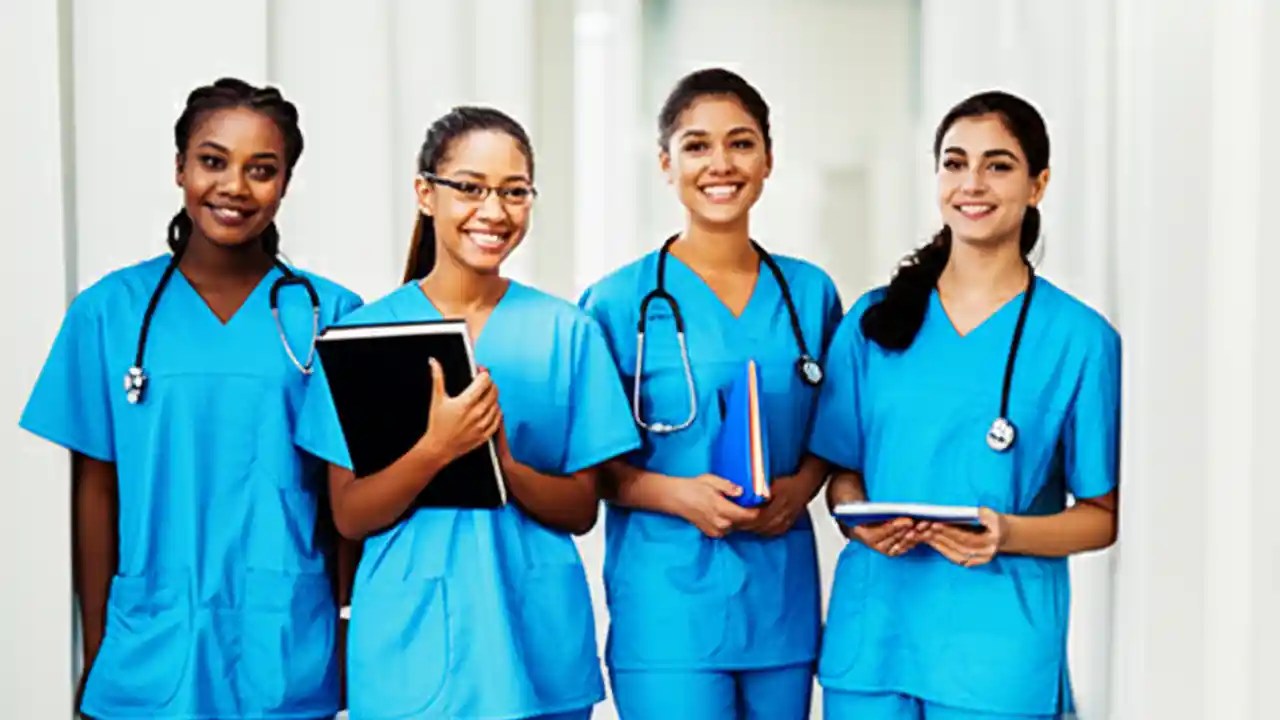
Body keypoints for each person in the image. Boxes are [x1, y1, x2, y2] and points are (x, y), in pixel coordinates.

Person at [20, 78, 362, 719]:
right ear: (179, 168)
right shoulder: (109, 312)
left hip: (283, 639)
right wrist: (97, 649)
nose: (235, 186)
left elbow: (348, 498)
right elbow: (96, 487)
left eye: (262, 170)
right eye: (213, 161)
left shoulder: (333, 315)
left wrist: (343, 630)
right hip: (149, 643)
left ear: (285, 184)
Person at [294, 105, 640, 720]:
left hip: (533, 637)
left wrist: (501, 462)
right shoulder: (364, 337)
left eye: (514, 192)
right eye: (471, 189)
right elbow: (349, 514)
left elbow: (581, 509)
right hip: (412, 643)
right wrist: (438, 448)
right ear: (426, 194)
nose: (494, 211)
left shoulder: (567, 332)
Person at [810, 90, 1121, 719]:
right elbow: (841, 472)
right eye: (954, 163)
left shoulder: (1080, 340)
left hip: (999, 652)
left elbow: (1100, 516)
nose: (971, 183)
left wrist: (1007, 533)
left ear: (1038, 184)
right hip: (875, 639)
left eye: (998, 165)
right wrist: (854, 515)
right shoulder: (874, 321)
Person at [578, 68, 842, 719]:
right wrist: (677, 495)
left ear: (769, 159)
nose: (720, 164)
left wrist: (801, 488)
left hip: (781, 600)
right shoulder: (616, 303)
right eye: (697, 146)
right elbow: (590, 465)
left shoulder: (810, 294)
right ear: (666, 164)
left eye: (741, 143)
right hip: (666, 606)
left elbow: (836, 431)